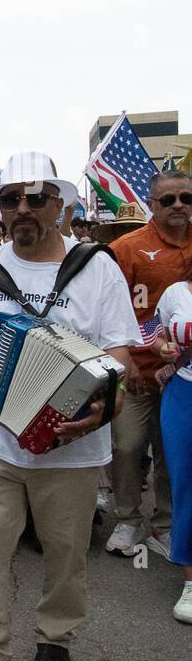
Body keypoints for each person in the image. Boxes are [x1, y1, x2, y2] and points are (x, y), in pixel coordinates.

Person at [0, 152, 141, 661]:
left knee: (65, 550)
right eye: (11, 199)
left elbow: (121, 350)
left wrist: (105, 401)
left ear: (60, 204)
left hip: (71, 446)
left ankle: (55, 640)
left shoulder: (96, 267)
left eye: (35, 198)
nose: (22, 209)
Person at [103, 174, 192, 559]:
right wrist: (128, 363)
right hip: (138, 368)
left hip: (185, 375)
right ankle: (128, 516)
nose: (177, 205)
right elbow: (112, 310)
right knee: (127, 446)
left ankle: (167, 523)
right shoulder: (127, 248)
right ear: (151, 204)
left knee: (175, 452)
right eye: (167, 199)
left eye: (185, 197)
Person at [153, 259, 192, 622]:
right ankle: (191, 579)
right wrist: (162, 347)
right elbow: (154, 327)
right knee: (186, 484)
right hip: (184, 394)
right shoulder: (176, 292)